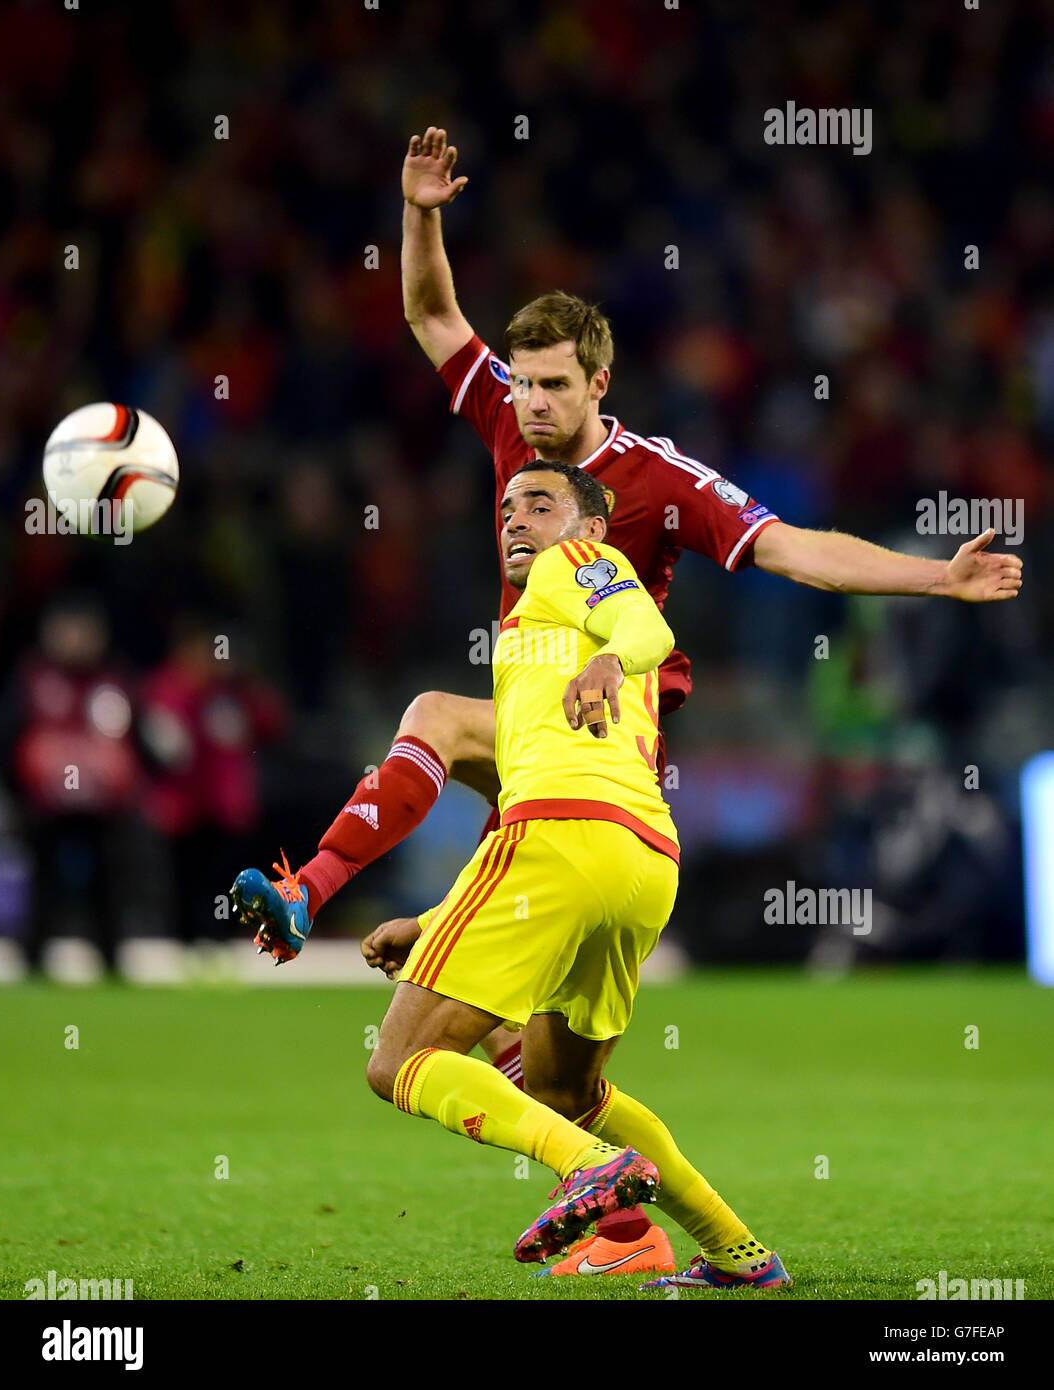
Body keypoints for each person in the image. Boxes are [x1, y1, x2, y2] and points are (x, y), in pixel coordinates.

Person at [232, 126, 1022, 1276]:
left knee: (436, 734)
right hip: (601, 804)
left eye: (556, 384)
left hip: (602, 741)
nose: (533, 403)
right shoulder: (510, 424)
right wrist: (420, 213)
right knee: (565, 1075)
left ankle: (311, 893)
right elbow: (430, 318)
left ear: (601, 383)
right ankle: (699, 1244)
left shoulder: (658, 486)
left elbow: (794, 549)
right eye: (526, 381)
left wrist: (934, 577)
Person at [236, 461, 791, 1289]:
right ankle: (740, 1254)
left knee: (399, 1064)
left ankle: (586, 1169)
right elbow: (527, 800)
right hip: (641, 865)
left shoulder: (579, 572)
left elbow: (648, 630)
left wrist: (611, 663)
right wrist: (434, 922)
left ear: (592, 527)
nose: (517, 519)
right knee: (567, 1085)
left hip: (565, 840)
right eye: (506, 507)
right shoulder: (534, 637)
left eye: (541, 504)